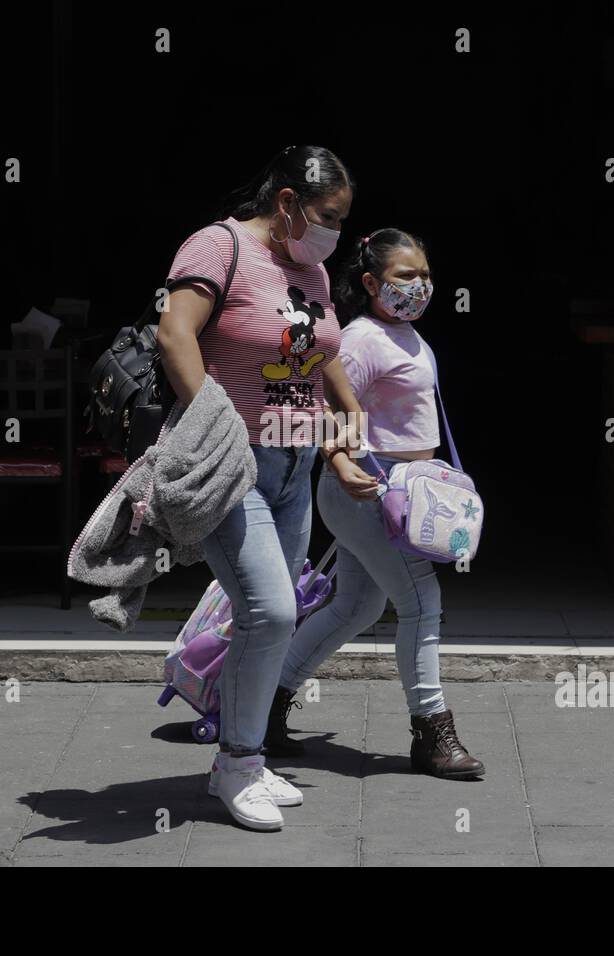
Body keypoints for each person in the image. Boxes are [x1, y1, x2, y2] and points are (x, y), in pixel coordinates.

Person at [157, 146, 380, 830]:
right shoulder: (216, 246)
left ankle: (242, 761)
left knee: (270, 622)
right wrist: (213, 427)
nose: (334, 233)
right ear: (286, 203)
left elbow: (319, 356)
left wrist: (346, 434)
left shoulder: (307, 268)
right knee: (273, 612)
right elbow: (175, 335)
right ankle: (239, 762)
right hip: (236, 466)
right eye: (327, 216)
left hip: (293, 468)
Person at [271, 228, 485, 780]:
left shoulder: (410, 337)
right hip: (369, 489)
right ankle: (433, 733)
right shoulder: (364, 339)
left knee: (356, 607)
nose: (420, 286)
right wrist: (342, 464)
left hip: (398, 492)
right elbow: (324, 404)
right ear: (371, 282)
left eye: (425, 275)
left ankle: (265, 704)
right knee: (420, 603)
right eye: (405, 276)